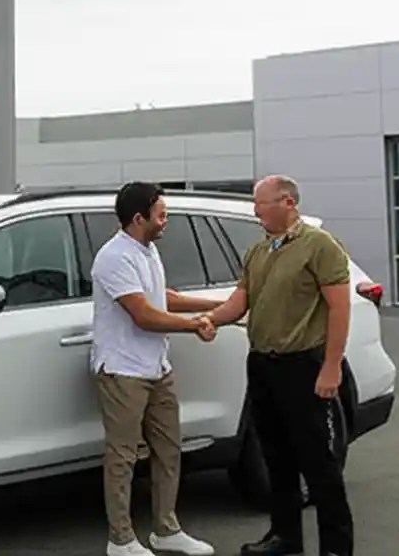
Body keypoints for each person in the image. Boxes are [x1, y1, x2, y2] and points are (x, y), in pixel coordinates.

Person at [200, 175, 355, 556]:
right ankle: (285, 538)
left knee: (319, 464)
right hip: (264, 366)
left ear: (287, 201)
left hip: (304, 365)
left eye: (261, 204)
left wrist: (331, 368)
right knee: (276, 458)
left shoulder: (320, 246)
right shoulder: (259, 251)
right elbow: (240, 302)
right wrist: (210, 320)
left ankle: (336, 548)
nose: (256, 211)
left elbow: (340, 307)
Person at [91, 182, 221, 556]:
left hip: (156, 367)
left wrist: (218, 308)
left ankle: (166, 529)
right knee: (123, 456)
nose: (166, 221)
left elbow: (164, 299)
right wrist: (196, 325)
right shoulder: (114, 257)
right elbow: (144, 315)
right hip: (122, 370)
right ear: (138, 218)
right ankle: (121, 540)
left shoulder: (149, 251)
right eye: (161, 215)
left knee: (169, 450)